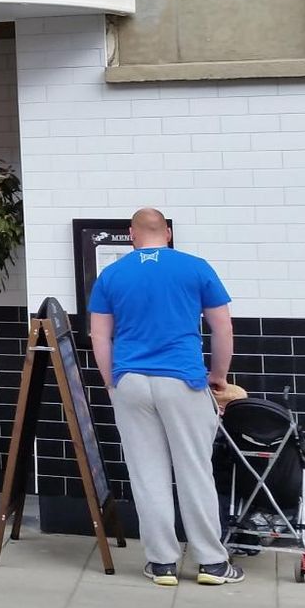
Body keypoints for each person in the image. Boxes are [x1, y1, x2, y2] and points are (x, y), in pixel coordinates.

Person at [88, 207, 241, 586]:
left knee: (147, 474)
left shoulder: (111, 275)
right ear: (167, 233)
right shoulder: (195, 267)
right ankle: (212, 563)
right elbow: (223, 328)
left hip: (131, 381)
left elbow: (99, 336)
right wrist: (218, 376)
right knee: (194, 470)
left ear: (131, 234)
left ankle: (162, 564)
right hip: (183, 380)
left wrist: (111, 383)